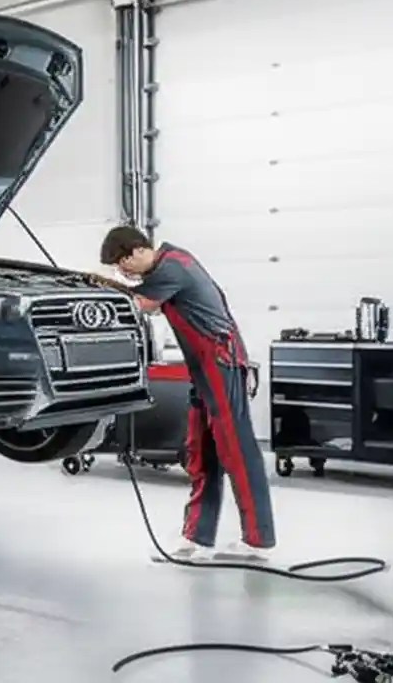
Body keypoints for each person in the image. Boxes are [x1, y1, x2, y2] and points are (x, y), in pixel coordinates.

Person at [93, 225, 276, 562]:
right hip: (204, 368)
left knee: (237, 450)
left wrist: (103, 289)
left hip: (220, 362)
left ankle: (257, 540)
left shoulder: (171, 266)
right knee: (200, 450)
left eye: (123, 263)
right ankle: (196, 538)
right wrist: (109, 284)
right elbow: (142, 295)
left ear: (138, 250)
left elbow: (144, 304)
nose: (123, 271)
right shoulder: (171, 263)